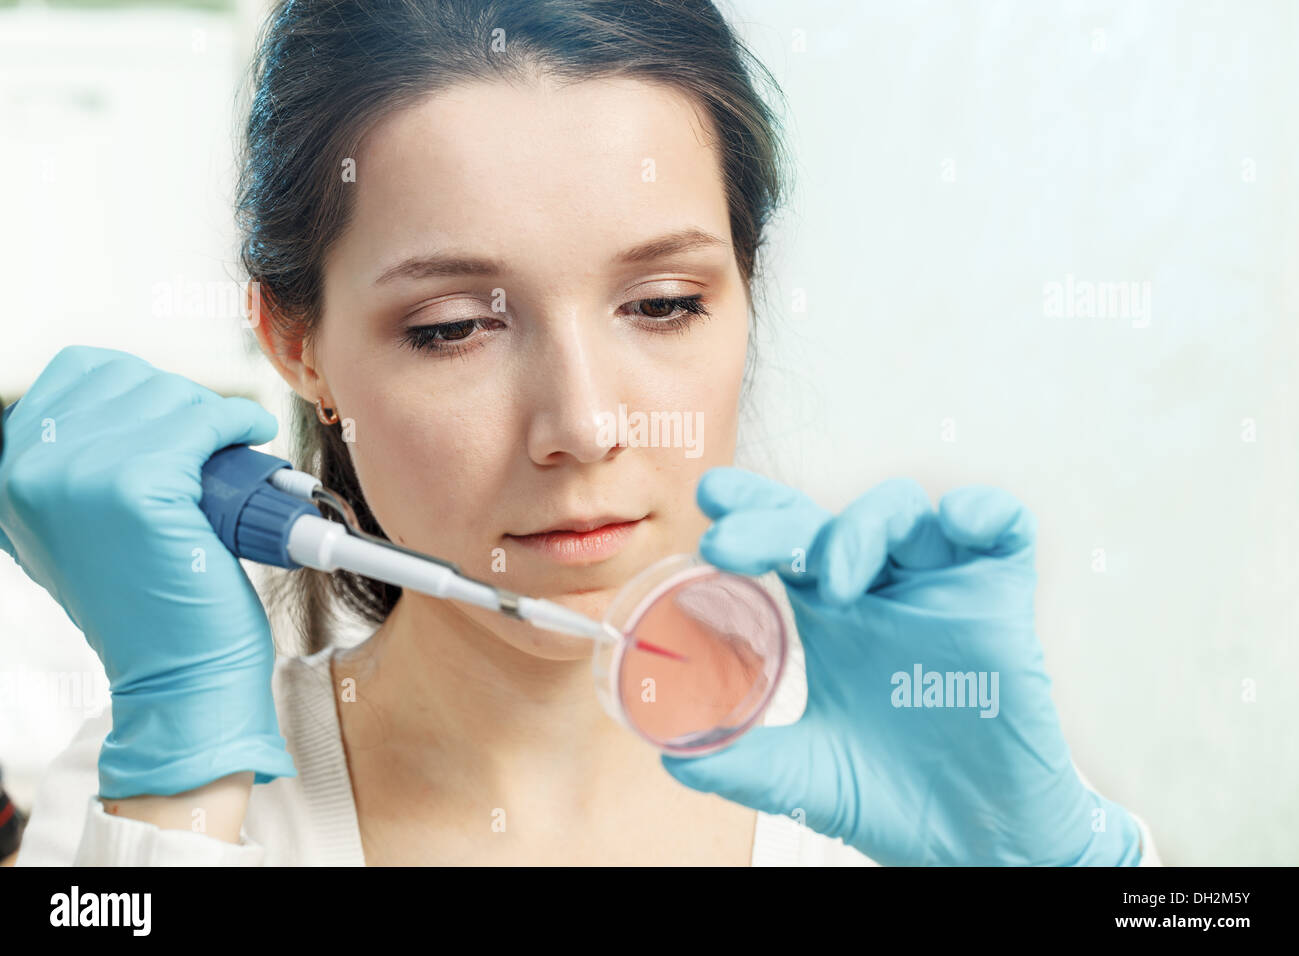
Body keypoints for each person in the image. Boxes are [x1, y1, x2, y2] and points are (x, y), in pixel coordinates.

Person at [3, 0, 1158, 866]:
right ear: (297, 341)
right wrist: (183, 760)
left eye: (663, 304)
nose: (587, 425)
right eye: (454, 326)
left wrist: (1075, 867)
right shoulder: (147, 801)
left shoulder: (903, 782)